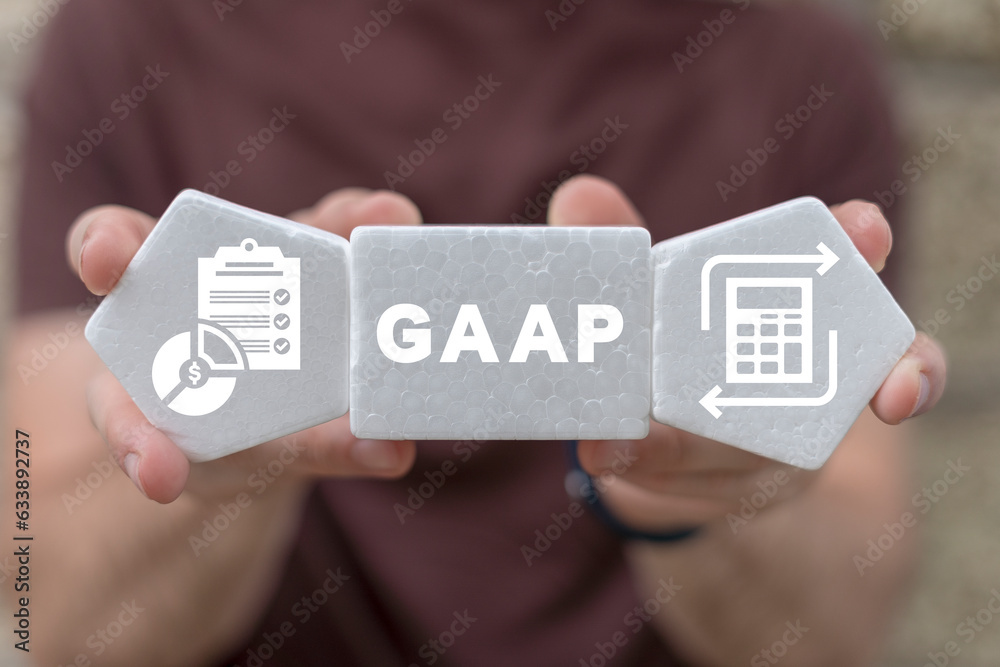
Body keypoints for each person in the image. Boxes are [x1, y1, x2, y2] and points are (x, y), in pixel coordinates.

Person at [7, 1, 946, 665]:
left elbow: (836, 634)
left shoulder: (802, 68)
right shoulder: (130, 35)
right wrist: (229, 455)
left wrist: (694, 492)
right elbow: (35, 617)